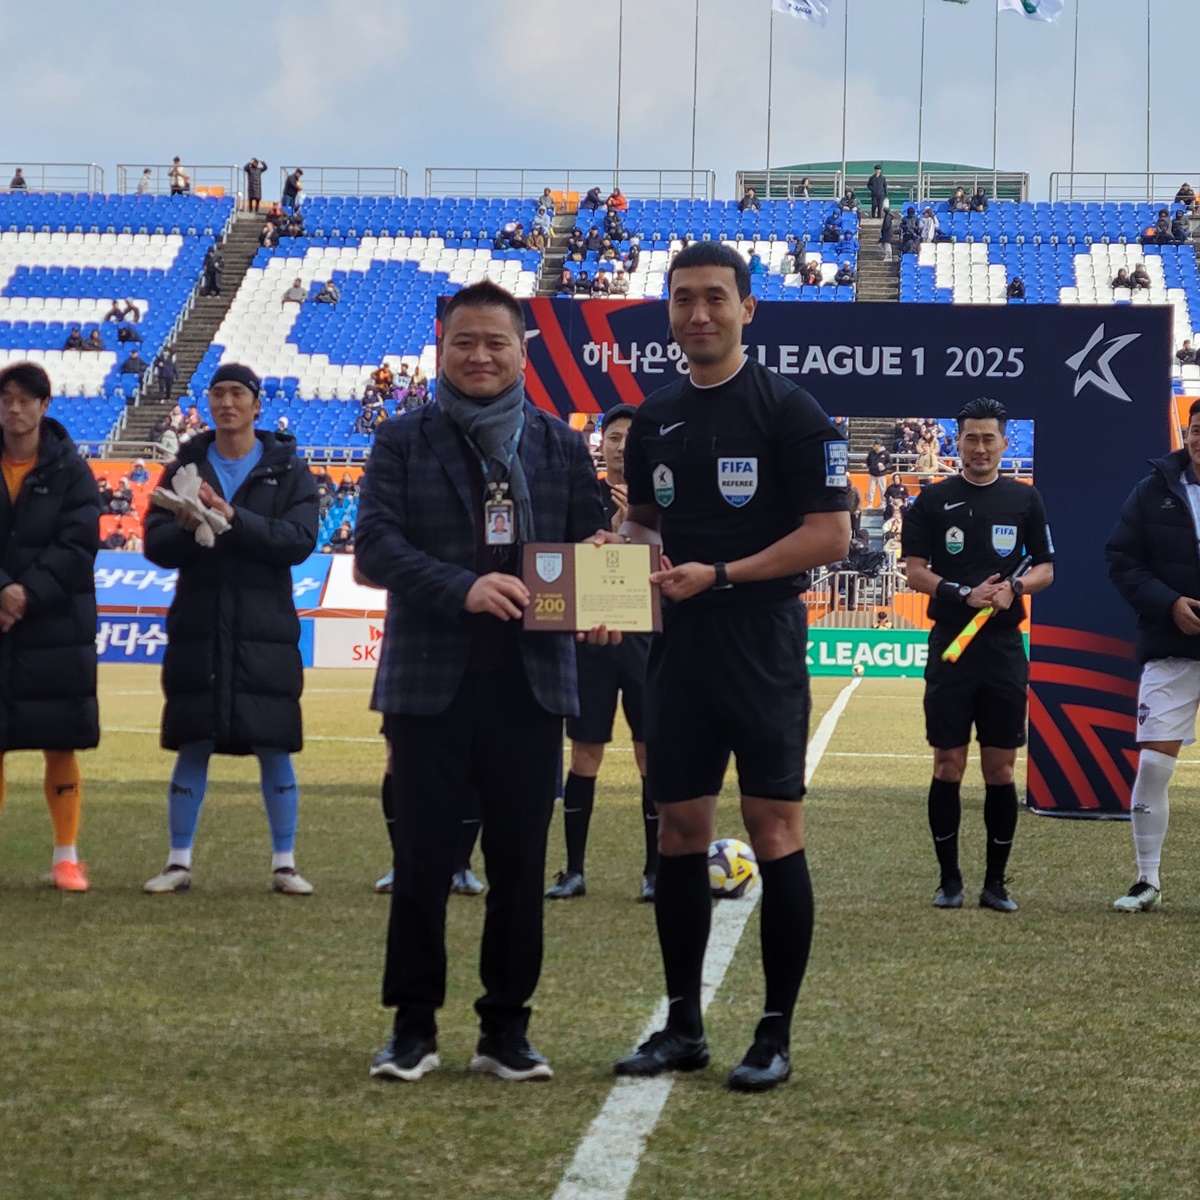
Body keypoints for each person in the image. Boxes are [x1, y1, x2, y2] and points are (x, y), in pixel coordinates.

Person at [607, 241, 849, 1093]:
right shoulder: (654, 418)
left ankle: (774, 1034)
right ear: (668, 312)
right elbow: (642, 531)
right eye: (683, 300)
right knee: (679, 830)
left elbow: (831, 535)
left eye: (715, 298)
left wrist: (724, 573)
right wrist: (613, 567)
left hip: (762, 639)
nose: (698, 314)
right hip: (679, 646)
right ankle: (683, 1026)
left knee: (775, 828)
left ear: (749, 308)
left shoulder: (791, 412)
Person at [356, 280, 606, 1085]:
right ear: (441, 349)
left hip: (531, 686)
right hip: (429, 683)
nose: (480, 356)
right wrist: (460, 585)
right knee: (423, 863)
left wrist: (606, 592)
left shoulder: (561, 447)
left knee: (518, 867)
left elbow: (589, 545)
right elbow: (375, 551)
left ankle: (506, 1028)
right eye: (464, 341)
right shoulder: (401, 440)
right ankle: (412, 1026)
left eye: (496, 342)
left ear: (522, 352)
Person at [142, 364, 319, 896]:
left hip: (265, 626)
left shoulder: (288, 469)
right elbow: (154, 544)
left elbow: (298, 539)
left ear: (257, 404)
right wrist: (186, 525)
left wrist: (233, 518)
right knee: (192, 740)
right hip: (200, 621)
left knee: (274, 743)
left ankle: (284, 864)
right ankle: (178, 862)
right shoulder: (185, 465)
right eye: (217, 393)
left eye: (237, 393)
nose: (226, 402)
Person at [901, 397, 1055, 913]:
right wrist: (960, 595)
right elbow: (915, 571)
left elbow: (1046, 570)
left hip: (1004, 649)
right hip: (951, 647)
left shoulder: (1025, 500)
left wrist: (1015, 588)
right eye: (971, 437)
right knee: (948, 766)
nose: (981, 447)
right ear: (958, 441)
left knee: (1001, 771)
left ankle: (996, 883)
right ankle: (949, 882)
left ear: (1004, 442)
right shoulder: (932, 500)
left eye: (990, 437)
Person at [546, 404, 658, 903]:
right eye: (613, 437)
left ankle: (654, 872)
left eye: (629, 437)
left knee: (649, 755)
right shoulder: (580, 493)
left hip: (643, 641)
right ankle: (573, 870)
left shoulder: (660, 497)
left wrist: (631, 519)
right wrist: (607, 524)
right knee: (584, 754)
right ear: (601, 444)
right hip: (590, 640)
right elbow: (564, 560)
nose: (620, 445)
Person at [0, 362, 101, 892]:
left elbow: (78, 545)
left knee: (59, 741)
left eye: (24, 400)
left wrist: (25, 593)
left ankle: (67, 857)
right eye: (6, 399)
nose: (14, 409)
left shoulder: (71, 471)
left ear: (44, 405)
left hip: (55, 626)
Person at [1106, 399, 1200, 913]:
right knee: (1154, 767)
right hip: (1172, 648)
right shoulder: (1154, 490)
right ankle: (1147, 881)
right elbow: (1121, 560)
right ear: (1186, 433)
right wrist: (1171, 604)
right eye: (1196, 429)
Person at [866, 441, 890, 509]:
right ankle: (870, 503)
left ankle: (883, 503)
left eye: (875, 445)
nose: (873, 446)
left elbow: (890, 462)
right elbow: (868, 461)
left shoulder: (886, 453)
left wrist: (885, 467)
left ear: (879, 445)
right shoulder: (871, 453)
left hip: (881, 474)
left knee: (882, 490)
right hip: (872, 474)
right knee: (871, 490)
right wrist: (870, 467)